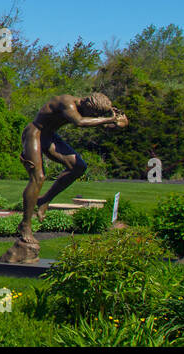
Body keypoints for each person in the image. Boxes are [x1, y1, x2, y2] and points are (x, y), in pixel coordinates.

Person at [8, 92, 127, 258]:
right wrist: (109, 119)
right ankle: (25, 225)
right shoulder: (67, 102)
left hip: (49, 136)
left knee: (79, 167)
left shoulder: (82, 108)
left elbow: (102, 124)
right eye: (93, 114)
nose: (92, 116)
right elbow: (80, 122)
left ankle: (44, 200)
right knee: (38, 178)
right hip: (34, 133)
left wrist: (117, 122)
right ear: (87, 106)